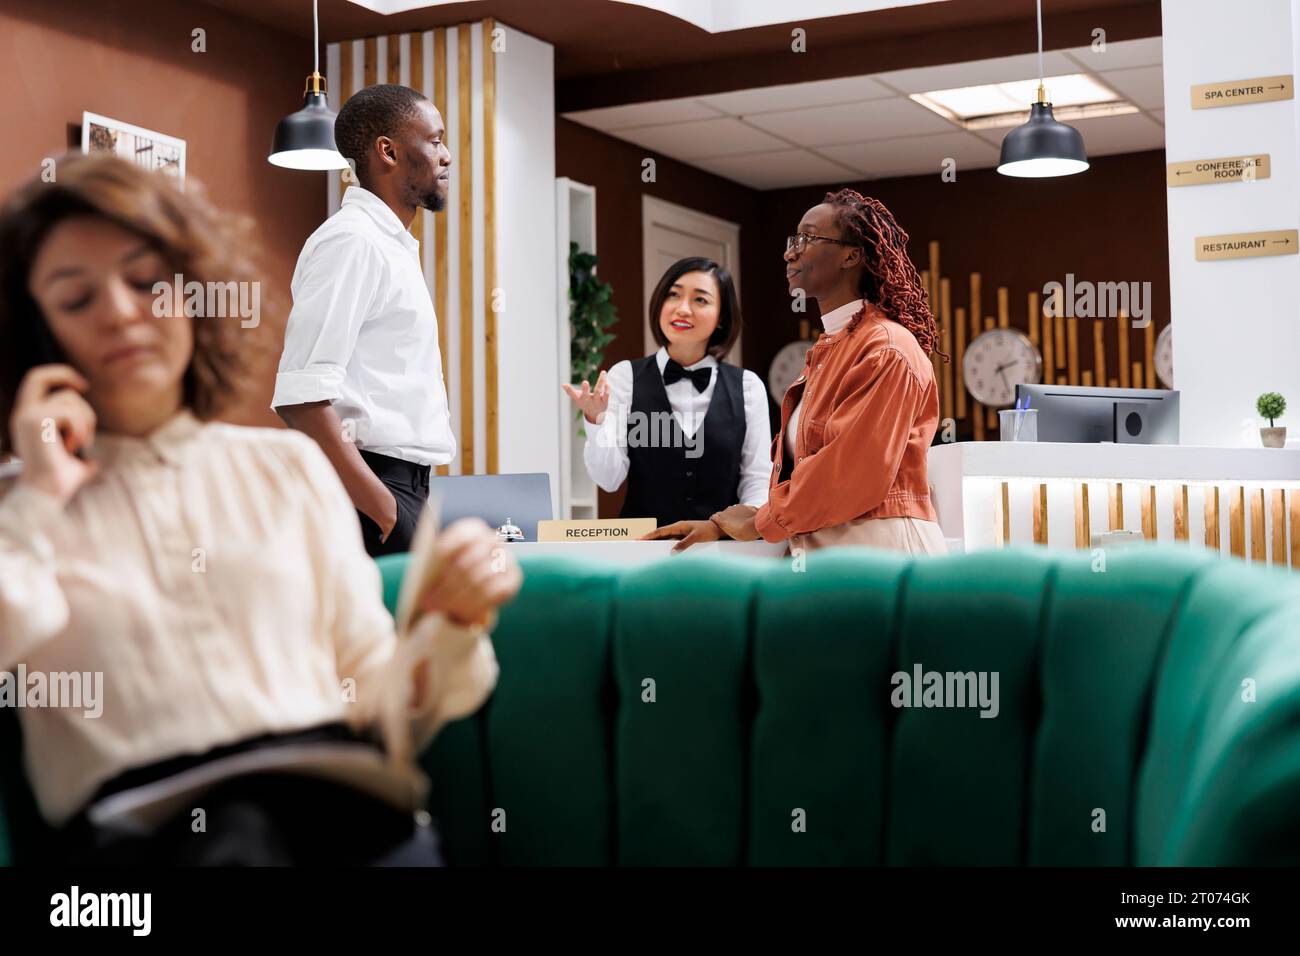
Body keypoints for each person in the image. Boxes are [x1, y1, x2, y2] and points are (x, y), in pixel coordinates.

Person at [0, 154, 521, 865]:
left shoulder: (288, 468)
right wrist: (35, 496)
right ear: (37, 331)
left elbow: (376, 703)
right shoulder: (19, 505)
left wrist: (448, 622)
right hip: (135, 851)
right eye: (76, 297)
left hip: (338, 817)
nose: (121, 312)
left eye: (146, 281)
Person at [650, 189, 947, 555]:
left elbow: (850, 474)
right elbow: (813, 479)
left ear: (851, 255)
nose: (790, 251)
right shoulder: (829, 349)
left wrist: (760, 521)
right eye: (794, 239)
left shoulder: (887, 347)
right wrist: (735, 523)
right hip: (835, 553)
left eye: (807, 238)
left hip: (884, 552)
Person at [273, 84, 455, 557]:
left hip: (402, 493)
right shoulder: (353, 242)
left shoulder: (389, 244)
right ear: (388, 152)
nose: (447, 156)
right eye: (435, 141)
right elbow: (300, 398)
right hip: (371, 496)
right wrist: (386, 512)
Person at [562, 257, 770, 528]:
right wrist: (596, 422)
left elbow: (756, 480)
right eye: (673, 295)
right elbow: (608, 480)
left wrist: (739, 535)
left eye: (700, 300)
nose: (683, 309)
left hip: (720, 552)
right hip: (643, 551)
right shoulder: (625, 376)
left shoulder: (748, 386)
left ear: (722, 317)